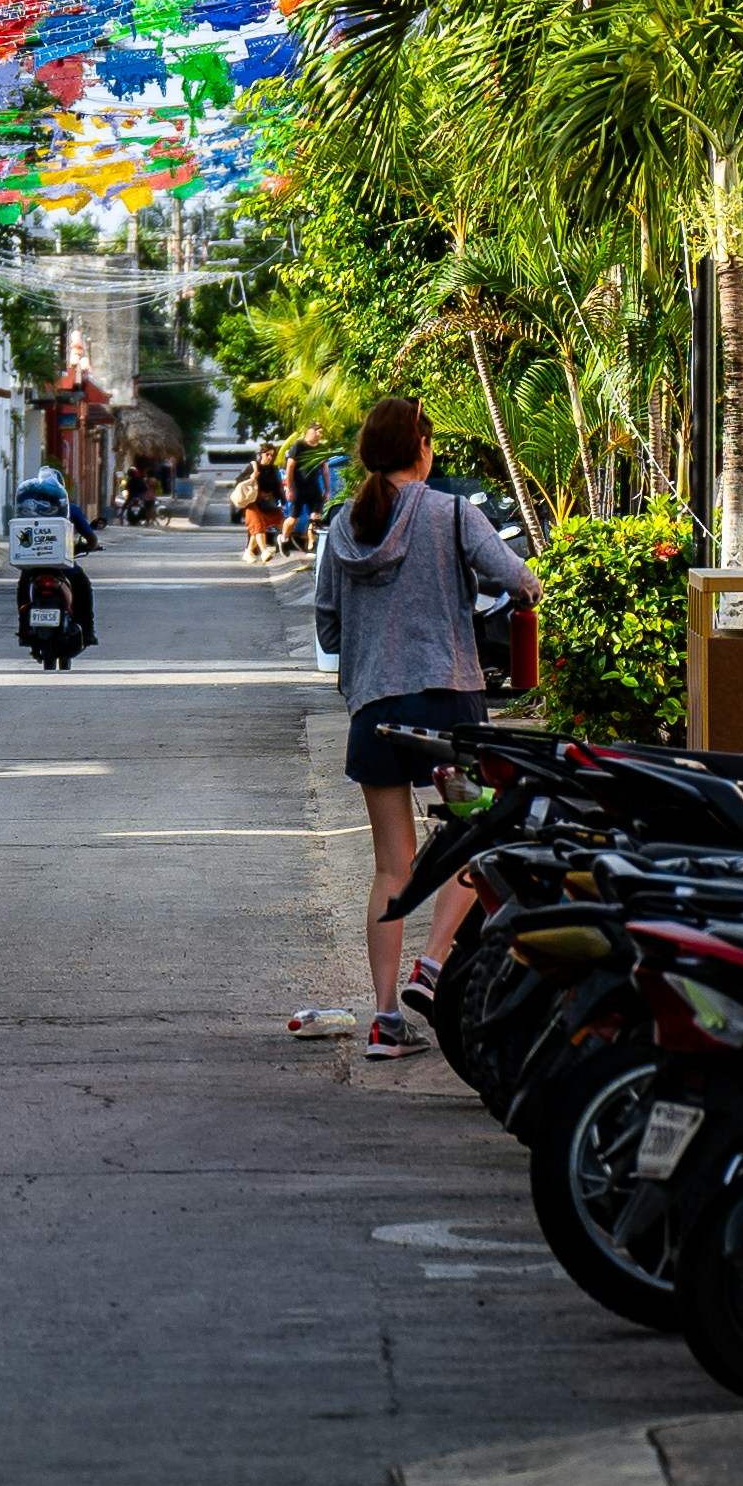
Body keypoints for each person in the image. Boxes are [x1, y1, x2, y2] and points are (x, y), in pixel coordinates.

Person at [312, 395, 539, 1054]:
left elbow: (328, 623)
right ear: (422, 449)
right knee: (478, 837)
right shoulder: (452, 514)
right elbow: (518, 580)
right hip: (448, 712)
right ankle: (434, 966)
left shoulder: (342, 528)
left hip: (376, 713)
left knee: (393, 869)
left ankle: (385, 1020)